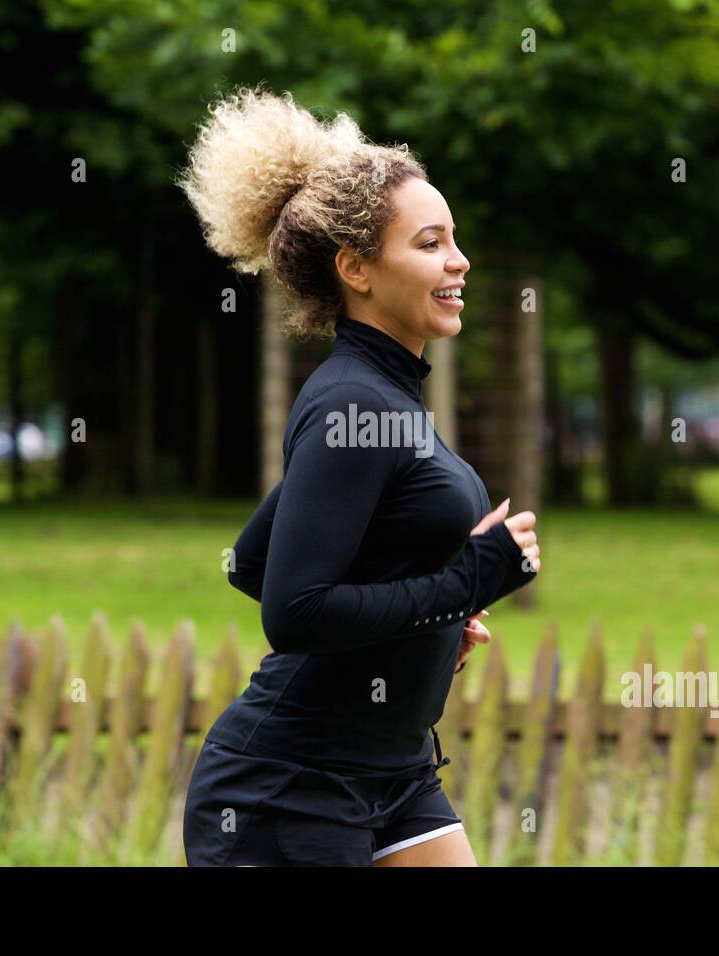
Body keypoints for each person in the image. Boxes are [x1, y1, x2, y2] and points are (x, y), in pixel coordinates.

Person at [176, 85, 541, 867]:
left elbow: (251, 559)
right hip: (290, 788)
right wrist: (465, 584)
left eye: (455, 241)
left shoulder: (383, 399)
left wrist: (428, 627)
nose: (459, 260)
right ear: (356, 268)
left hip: (394, 773)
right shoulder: (351, 402)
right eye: (430, 243)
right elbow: (294, 611)